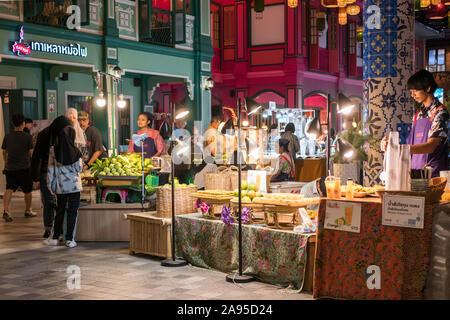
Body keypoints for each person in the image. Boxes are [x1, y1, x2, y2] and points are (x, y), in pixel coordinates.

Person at [381, 69, 449, 177]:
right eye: (411, 91)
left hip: (434, 176)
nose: (412, 94)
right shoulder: (418, 115)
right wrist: (391, 143)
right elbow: (411, 143)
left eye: (415, 90)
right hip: (415, 174)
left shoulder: (440, 113)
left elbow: (430, 146)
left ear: (428, 88)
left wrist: (399, 148)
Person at [44, 116, 83, 248]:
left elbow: (50, 170)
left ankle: (55, 237)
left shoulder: (53, 150)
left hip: (61, 187)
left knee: (59, 211)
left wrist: (50, 185)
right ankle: (70, 239)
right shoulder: (77, 151)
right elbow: (79, 169)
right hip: (74, 187)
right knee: (73, 212)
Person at [2, 113, 36, 222]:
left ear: (12, 123)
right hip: (25, 168)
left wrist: (6, 163)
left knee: (9, 188)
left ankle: (6, 210)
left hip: (11, 167)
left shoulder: (7, 136)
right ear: (23, 124)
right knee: (28, 190)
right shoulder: (27, 137)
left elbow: (4, 152)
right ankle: (28, 210)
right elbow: (31, 153)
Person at [31, 123, 57, 238]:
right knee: (53, 200)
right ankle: (56, 227)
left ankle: (48, 227)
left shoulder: (43, 134)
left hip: (44, 172)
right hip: (54, 172)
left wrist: (35, 177)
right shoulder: (62, 133)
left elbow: (36, 157)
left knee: (47, 201)